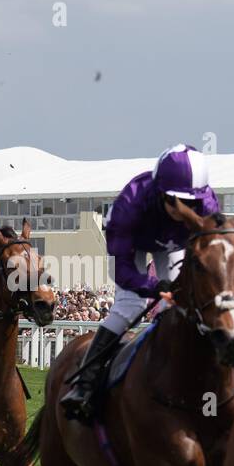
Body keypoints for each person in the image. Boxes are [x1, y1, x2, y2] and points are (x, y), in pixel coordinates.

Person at [61, 144, 219, 422]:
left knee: (187, 303)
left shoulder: (207, 204)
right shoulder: (129, 206)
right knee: (131, 304)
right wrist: (152, 286)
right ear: (160, 192)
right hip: (134, 244)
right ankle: (84, 383)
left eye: (191, 204)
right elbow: (123, 272)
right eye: (176, 202)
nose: (185, 210)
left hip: (172, 245)